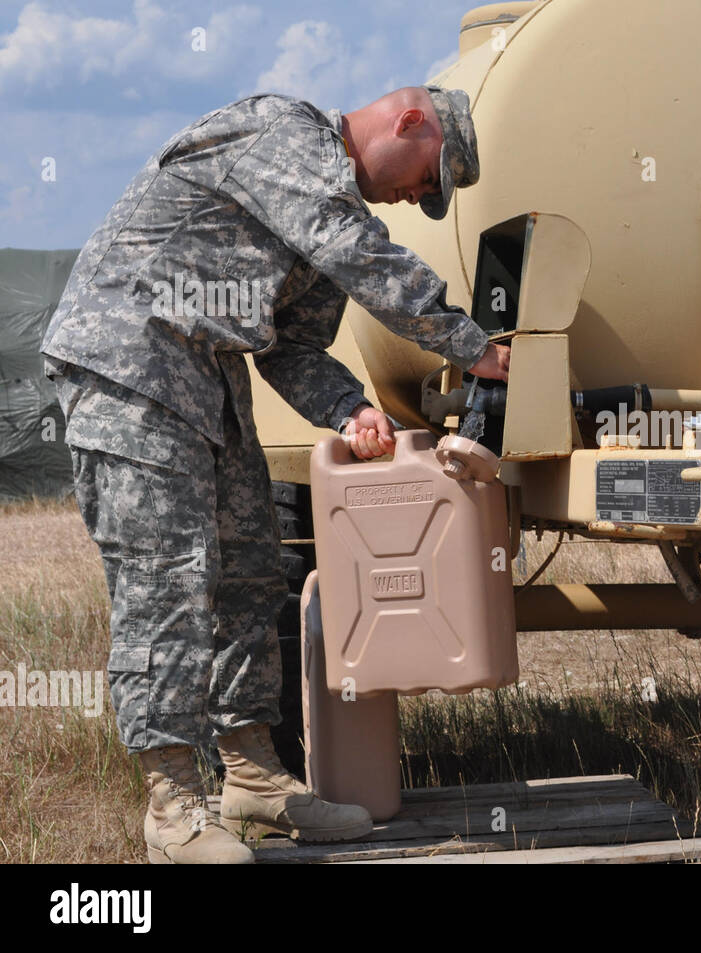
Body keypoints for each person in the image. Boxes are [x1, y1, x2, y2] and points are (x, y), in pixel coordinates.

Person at [41, 85, 508, 863]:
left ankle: (252, 777)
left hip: (203, 377)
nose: (415, 196)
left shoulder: (327, 216)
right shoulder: (285, 133)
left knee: (253, 570)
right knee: (169, 576)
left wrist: (352, 409)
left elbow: (290, 349)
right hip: (128, 358)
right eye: (427, 178)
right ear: (411, 120)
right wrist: (470, 345)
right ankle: (171, 805)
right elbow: (355, 247)